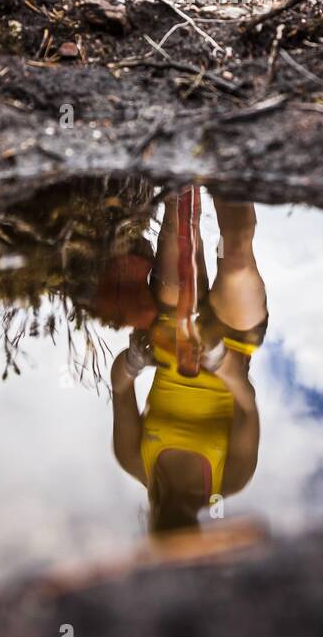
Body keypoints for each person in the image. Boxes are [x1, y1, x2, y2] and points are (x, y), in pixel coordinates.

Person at [106, 191, 267, 533]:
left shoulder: (133, 460)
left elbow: (119, 389)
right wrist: (220, 360)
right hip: (232, 345)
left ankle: (187, 160)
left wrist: (134, 362)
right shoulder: (232, 480)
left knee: (181, 221)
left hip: (172, 330)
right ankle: (227, 168)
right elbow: (247, 406)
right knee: (237, 256)